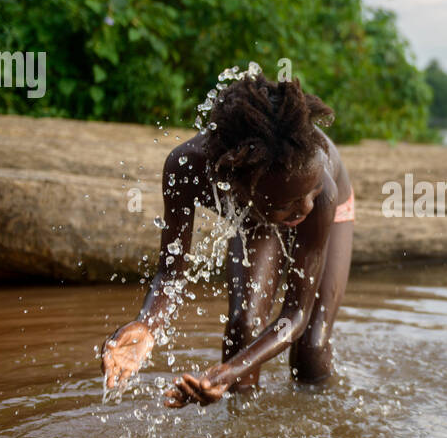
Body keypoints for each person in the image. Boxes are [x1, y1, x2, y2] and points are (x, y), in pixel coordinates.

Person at [101, 71, 353, 407]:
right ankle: (242, 424)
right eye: (288, 204)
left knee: (312, 345)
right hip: (258, 213)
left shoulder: (318, 194)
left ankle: (320, 417)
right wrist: (147, 324)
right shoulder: (186, 166)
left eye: (308, 195)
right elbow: (171, 274)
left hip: (331, 211)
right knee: (244, 323)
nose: (302, 209)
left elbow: (294, 315)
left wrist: (232, 368)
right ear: (238, 184)